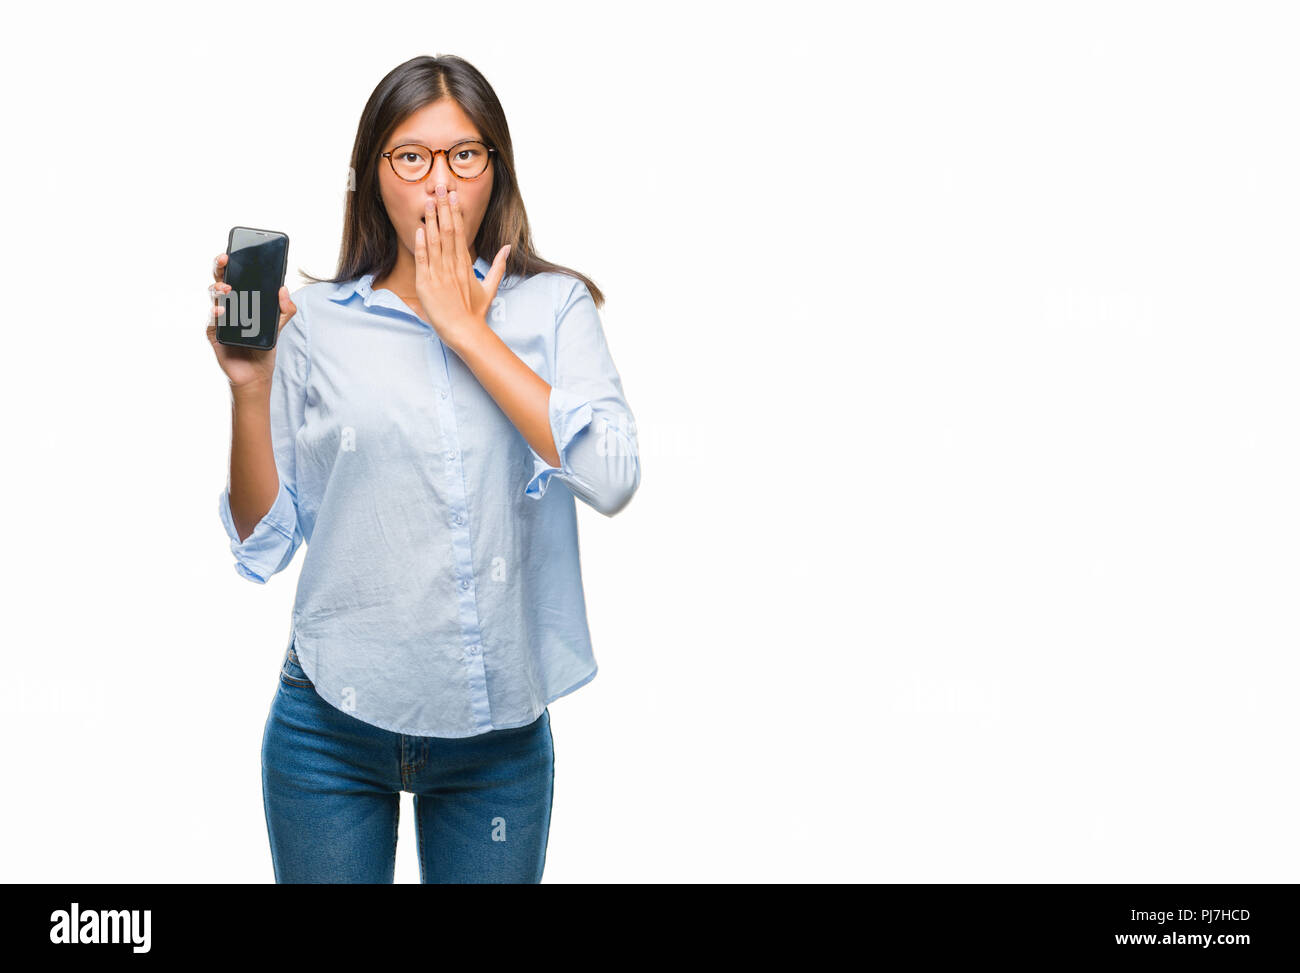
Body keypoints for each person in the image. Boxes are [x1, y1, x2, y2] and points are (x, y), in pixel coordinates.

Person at [205, 54, 640, 883]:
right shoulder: (317, 323)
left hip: (497, 741)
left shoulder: (554, 310)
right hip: (328, 726)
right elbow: (265, 545)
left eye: (464, 155)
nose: (439, 183)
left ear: (494, 173)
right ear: (373, 178)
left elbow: (614, 477)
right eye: (412, 156)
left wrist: (466, 328)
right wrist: (251, 389)